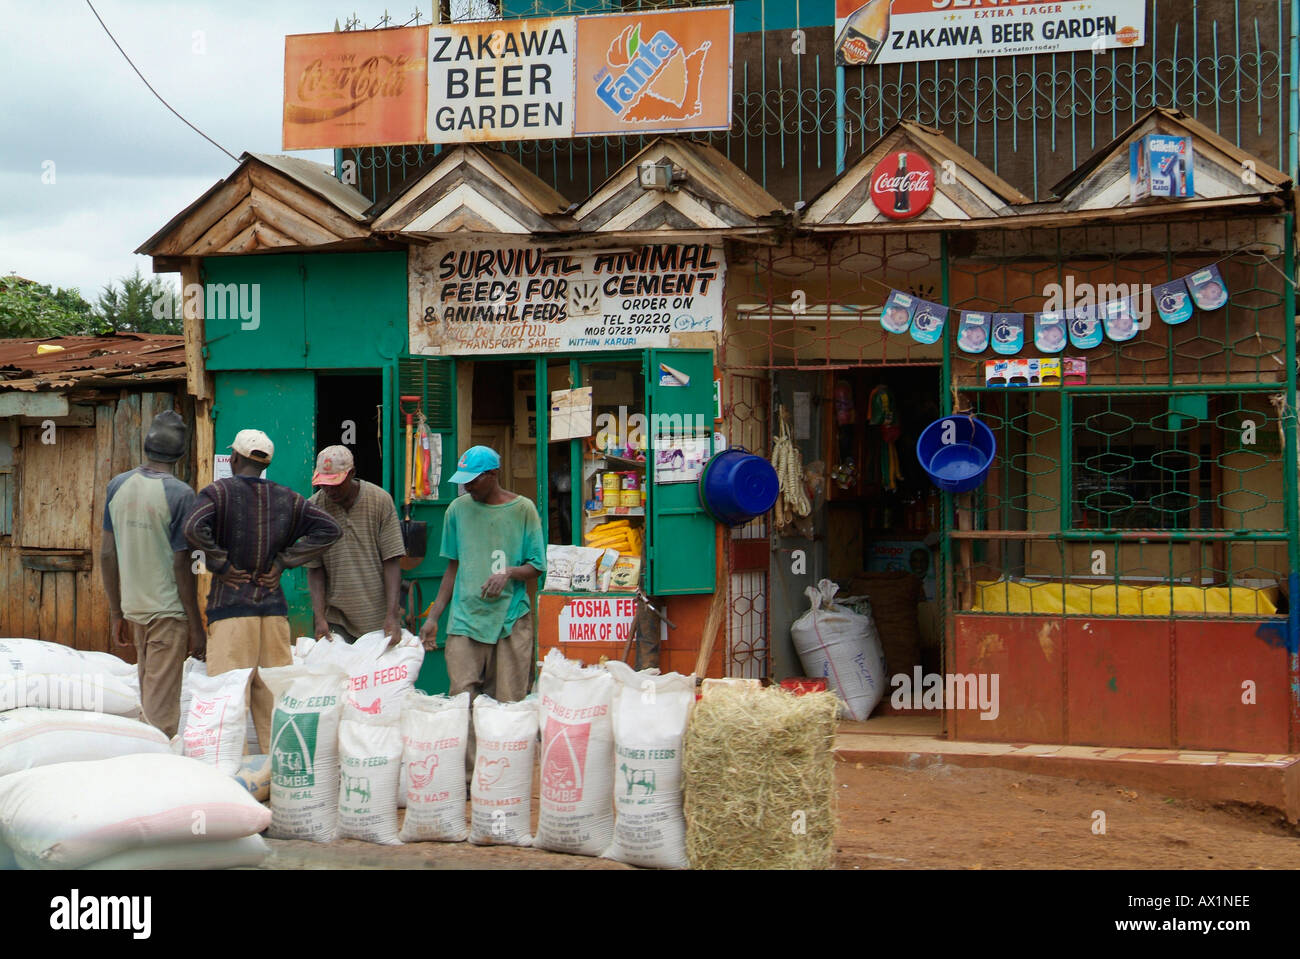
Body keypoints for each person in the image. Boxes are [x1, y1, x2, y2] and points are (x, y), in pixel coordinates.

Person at [183, 429, 341, 752]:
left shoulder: (217, 494)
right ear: (265, 464)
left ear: (235, 459)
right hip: (272, 613)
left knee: (228, 705)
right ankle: (278, 780)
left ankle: (234, 783)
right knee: (274, 703)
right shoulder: (287, 498)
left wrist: (221, 564)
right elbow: (330, 529)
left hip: (230, 613)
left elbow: (192, 527)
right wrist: (283, 562)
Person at [418, 446, 544, 760]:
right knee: (463, 699)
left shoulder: (523, 509)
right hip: (465, 619)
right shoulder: (456, 511)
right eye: (464, 482)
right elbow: (452, 569)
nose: (468, 487)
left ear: (492, 475)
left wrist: (510, 573)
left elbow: (537, 565)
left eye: (473, 480)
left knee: (507, 703)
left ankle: (502, 772)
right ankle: (469, 776)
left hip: (510, 619)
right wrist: (434, 617)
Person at [100, 410, 203, 738]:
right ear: (181, 453)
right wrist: (196, 626)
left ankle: (146, 763)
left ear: (146, 447)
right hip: (167, 615)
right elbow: (181, 566)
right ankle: (155, 770)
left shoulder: (118, 485)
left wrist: (117, 612)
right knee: (160, 714)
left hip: (135, 612)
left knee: (151, 698)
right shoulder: (180, 494)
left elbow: (106, 553)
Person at [305, 445, 405, 646]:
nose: (329, 490)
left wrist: (392, 615)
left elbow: (391, 561)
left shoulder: (380, 501)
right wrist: (319, 618)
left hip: (378, 617)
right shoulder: (314, 508)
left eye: (336, 483)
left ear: (351, 474)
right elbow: (315, 569)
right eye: (324, 484)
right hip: (336, 618)